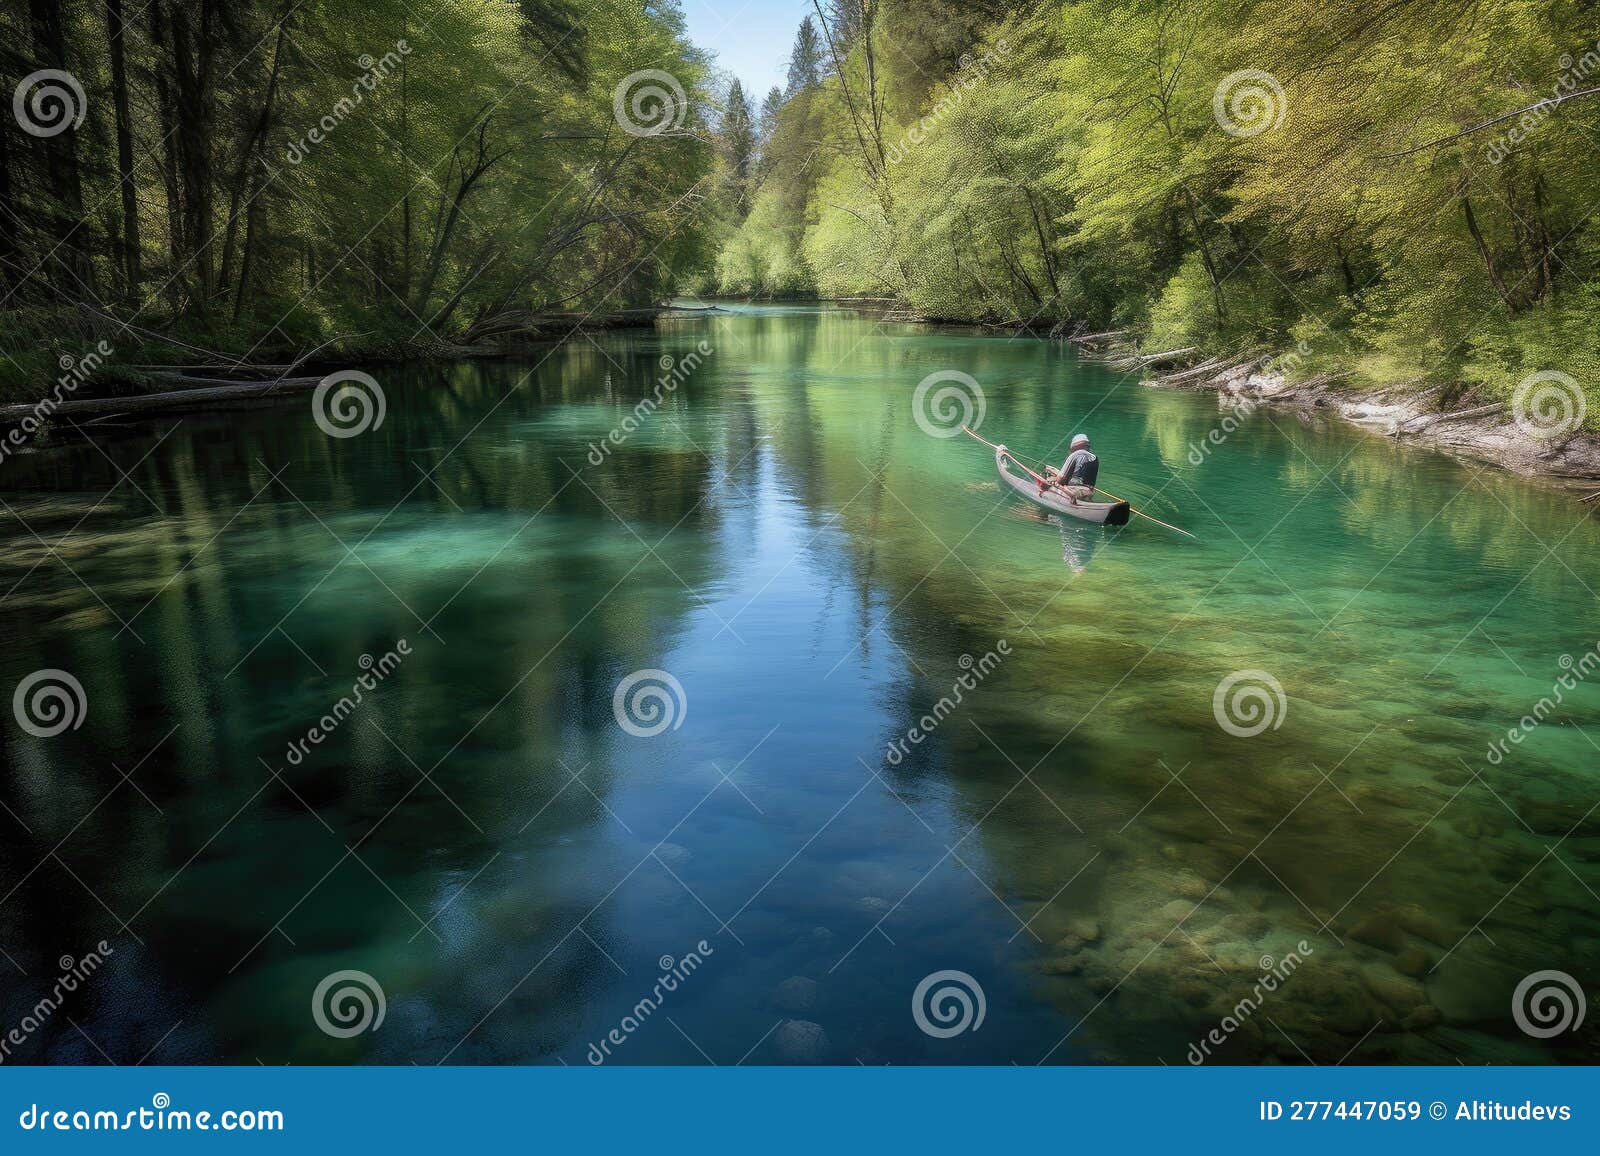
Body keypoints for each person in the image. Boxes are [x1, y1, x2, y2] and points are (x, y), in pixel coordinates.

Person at [1046, 433, 1098, 501]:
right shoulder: (1095, 458)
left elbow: (1062, 480)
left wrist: (1053, 480)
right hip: (1089, 491)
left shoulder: (1074, 456)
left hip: (1073, 491)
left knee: (1051, 480)